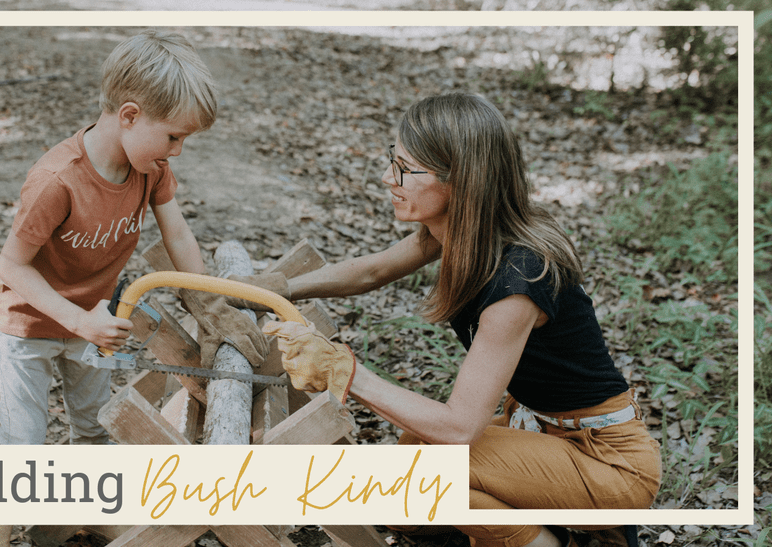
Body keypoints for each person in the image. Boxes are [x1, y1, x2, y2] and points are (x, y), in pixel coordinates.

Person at [243, 93, 661, 547]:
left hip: (608, 461)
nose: (388, 177)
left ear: (461, 182)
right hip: (543, 431)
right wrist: (273, 290)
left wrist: (341, 370)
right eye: (393, 160)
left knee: (423, 473)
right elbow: (371, 272)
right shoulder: (465, 232)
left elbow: (460, 428)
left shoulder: (519, 279)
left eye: (406, 169)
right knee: (411, 457)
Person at [0, 29, 266, 547]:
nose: (178, 151)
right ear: (130, 115)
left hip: (93, 321)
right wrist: (78, 320)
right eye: (173, 137)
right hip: (28, 324)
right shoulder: (57, 179)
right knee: (21, 443)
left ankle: (69, 527)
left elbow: (178, 233)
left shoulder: (149, 168)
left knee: (92, 429)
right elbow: (11, 267)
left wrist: (210, 306)